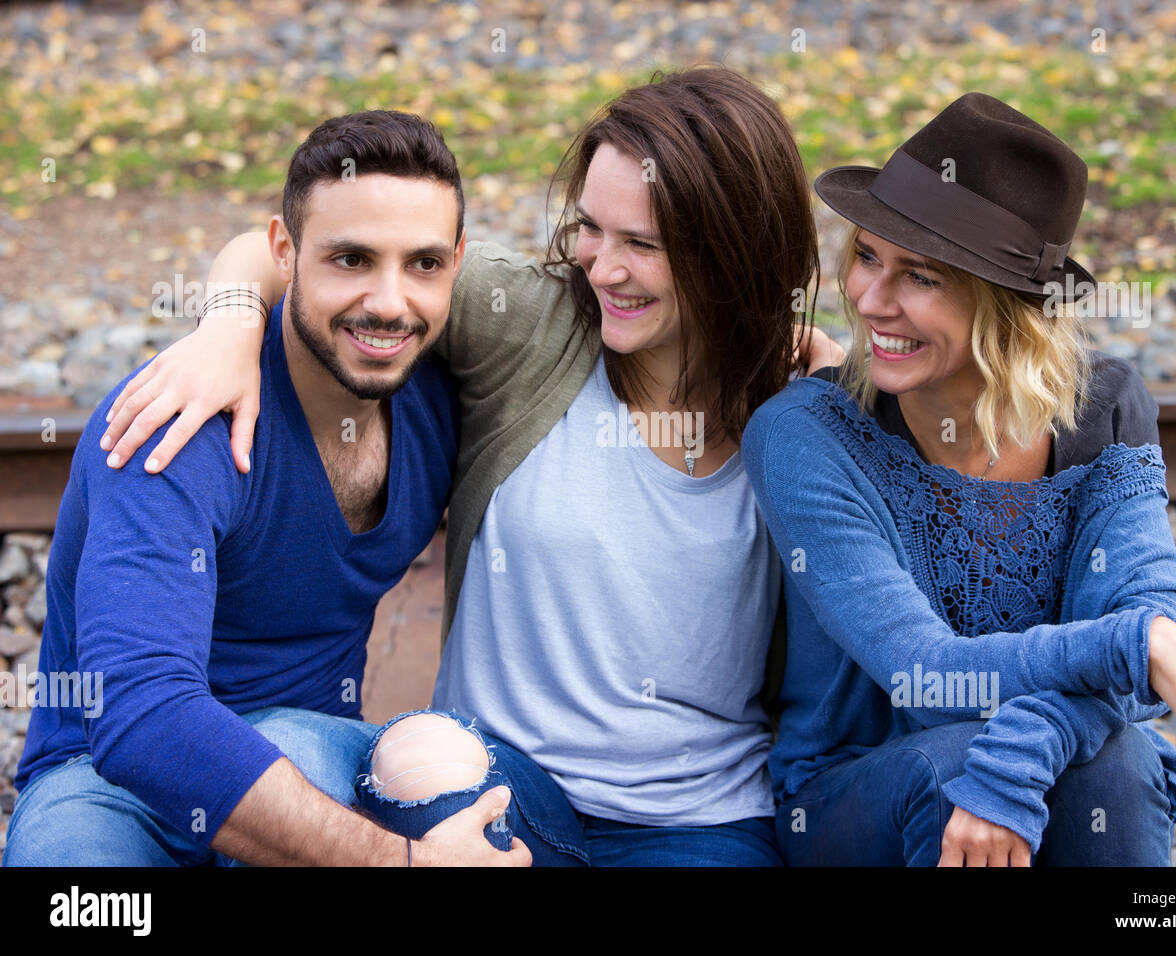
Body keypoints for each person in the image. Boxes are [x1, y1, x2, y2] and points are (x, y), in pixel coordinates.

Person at [91, 67, 835, 866]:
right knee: (366, 755)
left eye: (642, 245)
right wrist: (230, 330)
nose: (600, 266)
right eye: (590, 227)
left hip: (699, 822)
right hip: (493, 781)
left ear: (734, 256)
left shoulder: (799, 411)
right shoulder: (537, 323)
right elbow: (289, 245)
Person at [739, 92, 1176, 865]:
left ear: (1009, 308)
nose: (869, 300)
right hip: (854, 800)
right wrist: (1139, 644)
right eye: (867, 256)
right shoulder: (807, 435)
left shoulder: (1104, 408)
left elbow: (1144, 615)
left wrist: (1031, 742)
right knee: (964, 767)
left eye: (920, 277)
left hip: (1045, 772)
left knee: (1122, 765)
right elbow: (925, 675)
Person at [3, 111, 532, 866]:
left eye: (422, 264)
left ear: (457, 262)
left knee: (333, 747)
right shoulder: (174, 420)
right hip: (104, 777)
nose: (388, 303)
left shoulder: (440, 391)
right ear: (285, 253)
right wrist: (396, 864)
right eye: (349, 259)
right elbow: (142, 716)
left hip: (306, 746)